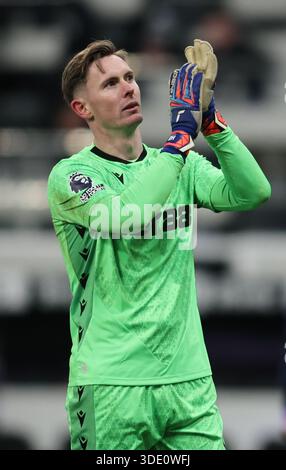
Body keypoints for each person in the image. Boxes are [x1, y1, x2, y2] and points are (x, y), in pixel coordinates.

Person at [47, 39, 271, 450]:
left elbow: (252, 192)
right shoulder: (72, 176)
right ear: (83, 109)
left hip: (189, 381)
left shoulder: (177, 165)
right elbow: (126, 217)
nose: (129, 88)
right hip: (112, 382)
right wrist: (181, 141)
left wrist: (211, 124)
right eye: (111, 84)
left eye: (130, 78)